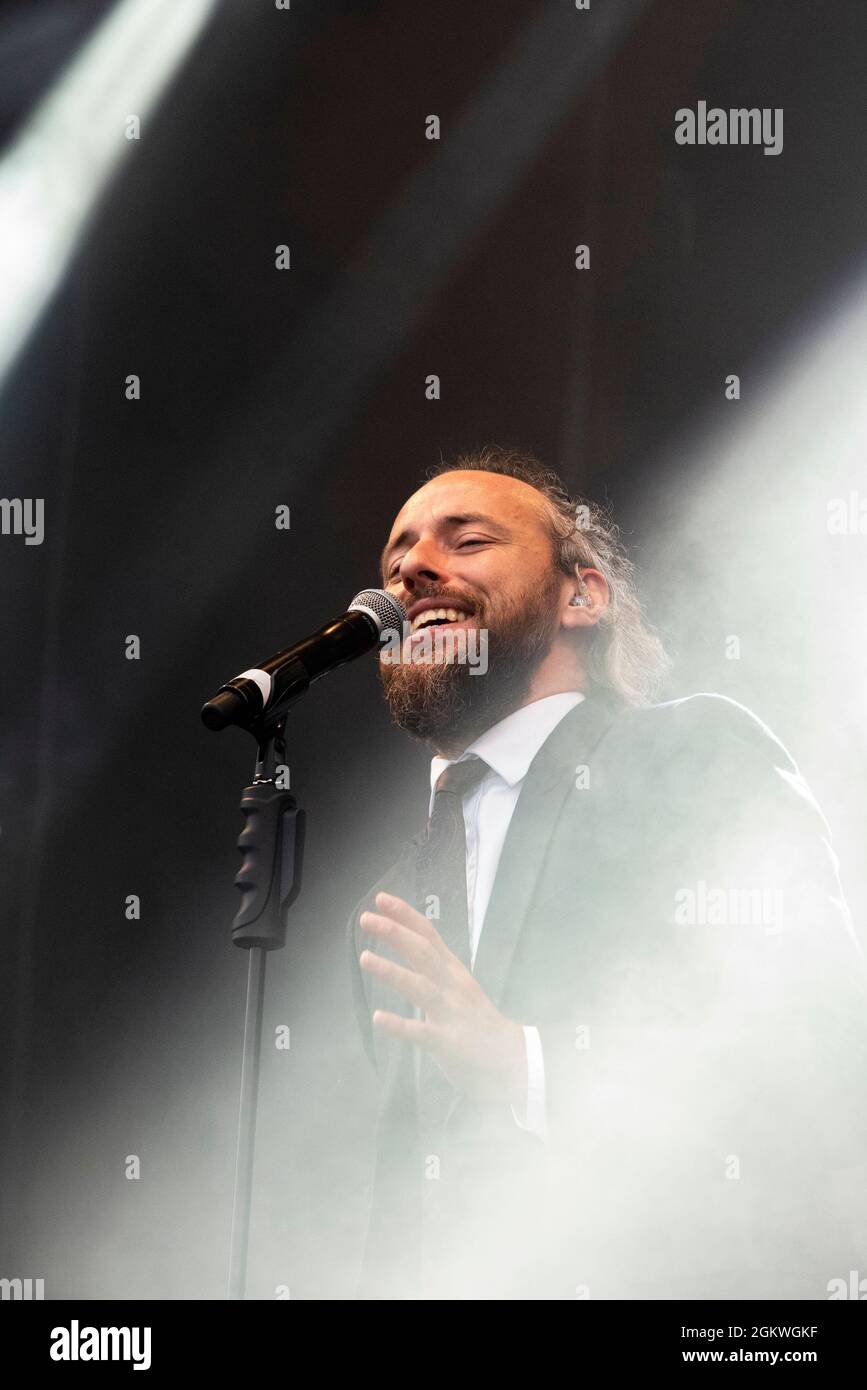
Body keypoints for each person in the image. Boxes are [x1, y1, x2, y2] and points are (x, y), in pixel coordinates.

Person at [347, 446, 867, 1300]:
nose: (412, 570)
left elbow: (822, 1049)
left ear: (581, 594)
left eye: (465, 540)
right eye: (396, 559)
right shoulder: (382, 904)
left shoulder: (688, 755)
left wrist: (526, 1065)